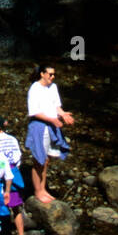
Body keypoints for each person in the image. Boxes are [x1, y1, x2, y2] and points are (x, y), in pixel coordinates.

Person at [25, 64, 74, 204]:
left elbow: (56, 106)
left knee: (46, 161)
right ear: (42, 74)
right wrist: (52, 119)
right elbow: (34, 112)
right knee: (38, 160)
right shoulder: (34, 88)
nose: (52, 77)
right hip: (39, 126)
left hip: (52, 125)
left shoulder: (53, 87)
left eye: (54, 74)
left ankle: (43, 188)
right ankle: (38, 191)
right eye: (50, 74)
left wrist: (63, 114)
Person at [0, 113, 30, 235]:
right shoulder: (12, 139)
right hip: (13, 172)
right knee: (16, 208)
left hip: (0, 174)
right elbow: (18, 156)